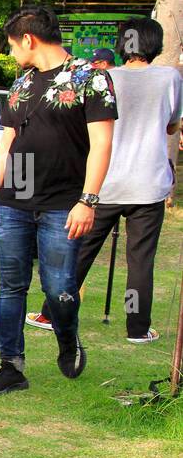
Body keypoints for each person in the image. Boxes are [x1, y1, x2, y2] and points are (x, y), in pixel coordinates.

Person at [0, 5, 117, 394]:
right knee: (11, 286)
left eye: (10, 45)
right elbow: (6, 146)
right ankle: (11, 366)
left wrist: (88, 201)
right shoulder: (21, 84)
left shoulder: (91, 78)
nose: (10, 54)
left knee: (59, 287)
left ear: (28, 38)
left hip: (63, 200)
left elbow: (102, 144)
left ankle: (67, 337)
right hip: (14, 198)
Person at [26, 18, 180, 343]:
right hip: (148, 184)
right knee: (140, 260)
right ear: (155, 43)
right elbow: (171, 124)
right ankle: (137, 328)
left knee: (78, 252)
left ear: (123, 43)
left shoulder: (104, 76)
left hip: (103, 182)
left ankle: (50, 313)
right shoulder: (170, 78)